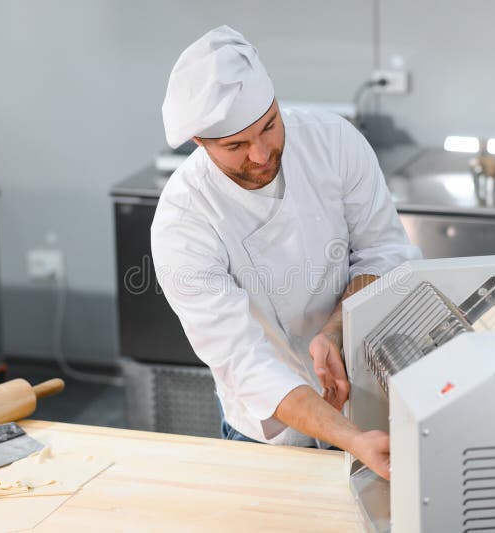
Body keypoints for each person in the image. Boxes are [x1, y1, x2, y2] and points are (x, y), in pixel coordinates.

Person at [151, 25, 421, 480]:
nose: (261, 154)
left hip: (369, 398)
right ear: (200, 142)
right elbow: (243, 361)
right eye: (236, 145)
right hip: (268, 434)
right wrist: (351, 440)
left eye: (269, 126)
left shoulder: (332, 142)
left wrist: (335, 331)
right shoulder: (184, 221)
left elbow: (382, 253)